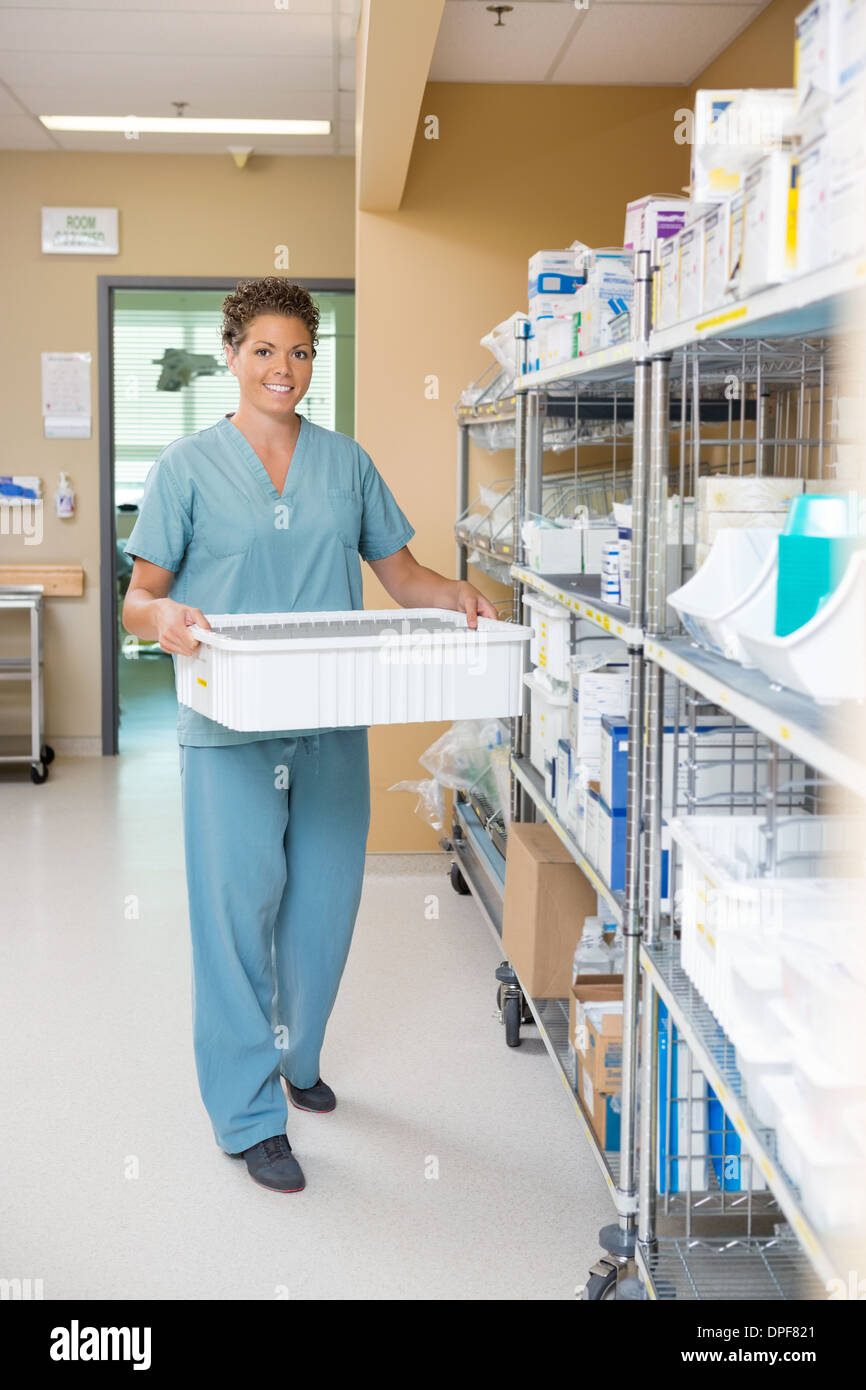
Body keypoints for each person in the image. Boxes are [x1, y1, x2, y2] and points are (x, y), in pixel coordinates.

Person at [122, 277, 498, 1193]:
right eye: (263, 351)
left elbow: (403, 577)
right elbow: (139, 600)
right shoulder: (185, 468)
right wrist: (161, 619)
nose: (281, 368)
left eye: (298, 352)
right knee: (235, 919)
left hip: (330, 718)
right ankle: (249, 1116)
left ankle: (296, 1060)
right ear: (231, 354)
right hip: (229, 727)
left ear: (313, 362)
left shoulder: (346, 463)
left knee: (324, 912)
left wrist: (457, 596)